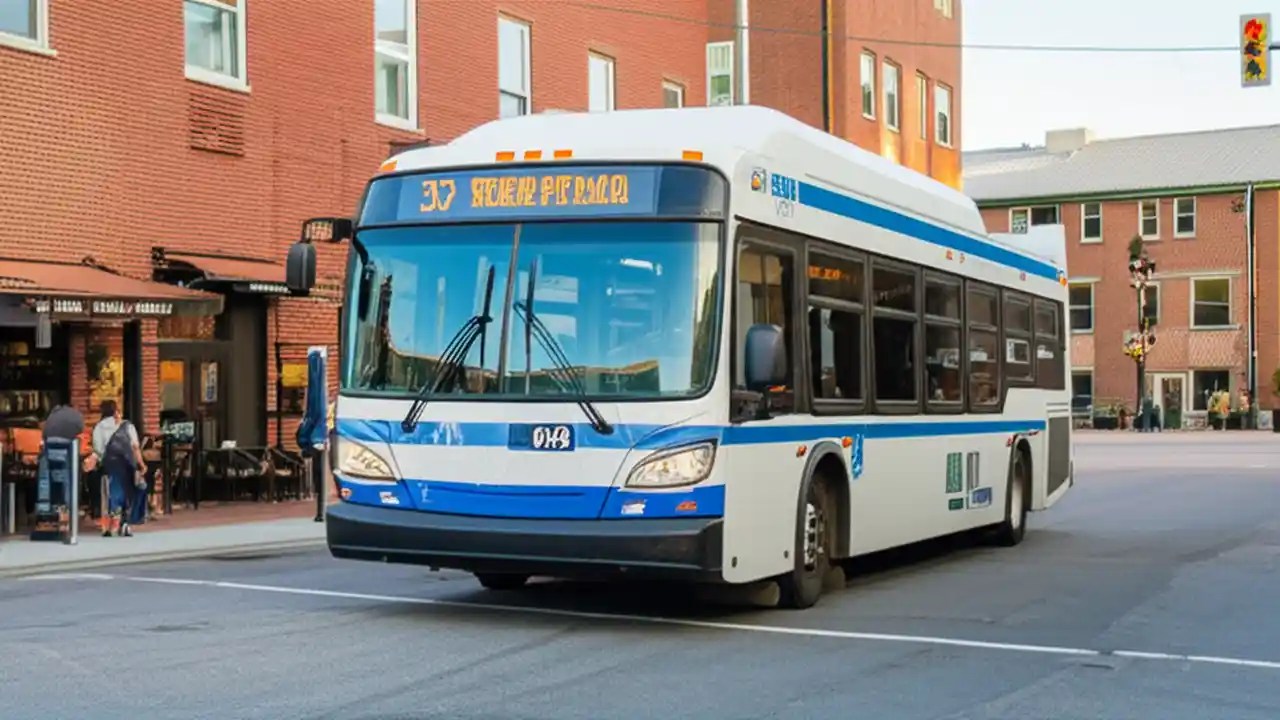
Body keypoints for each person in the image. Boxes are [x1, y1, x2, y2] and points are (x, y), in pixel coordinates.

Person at [92, 400, 144, 537]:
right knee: (127, 491)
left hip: (109, 465)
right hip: (127, 464)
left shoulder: (99, 427)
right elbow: (135, 447)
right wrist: (141, 464)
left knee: (109, 494)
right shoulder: (127, 425)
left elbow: (97, 450)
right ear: (116, 411)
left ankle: (109, 527)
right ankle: (125, 523)